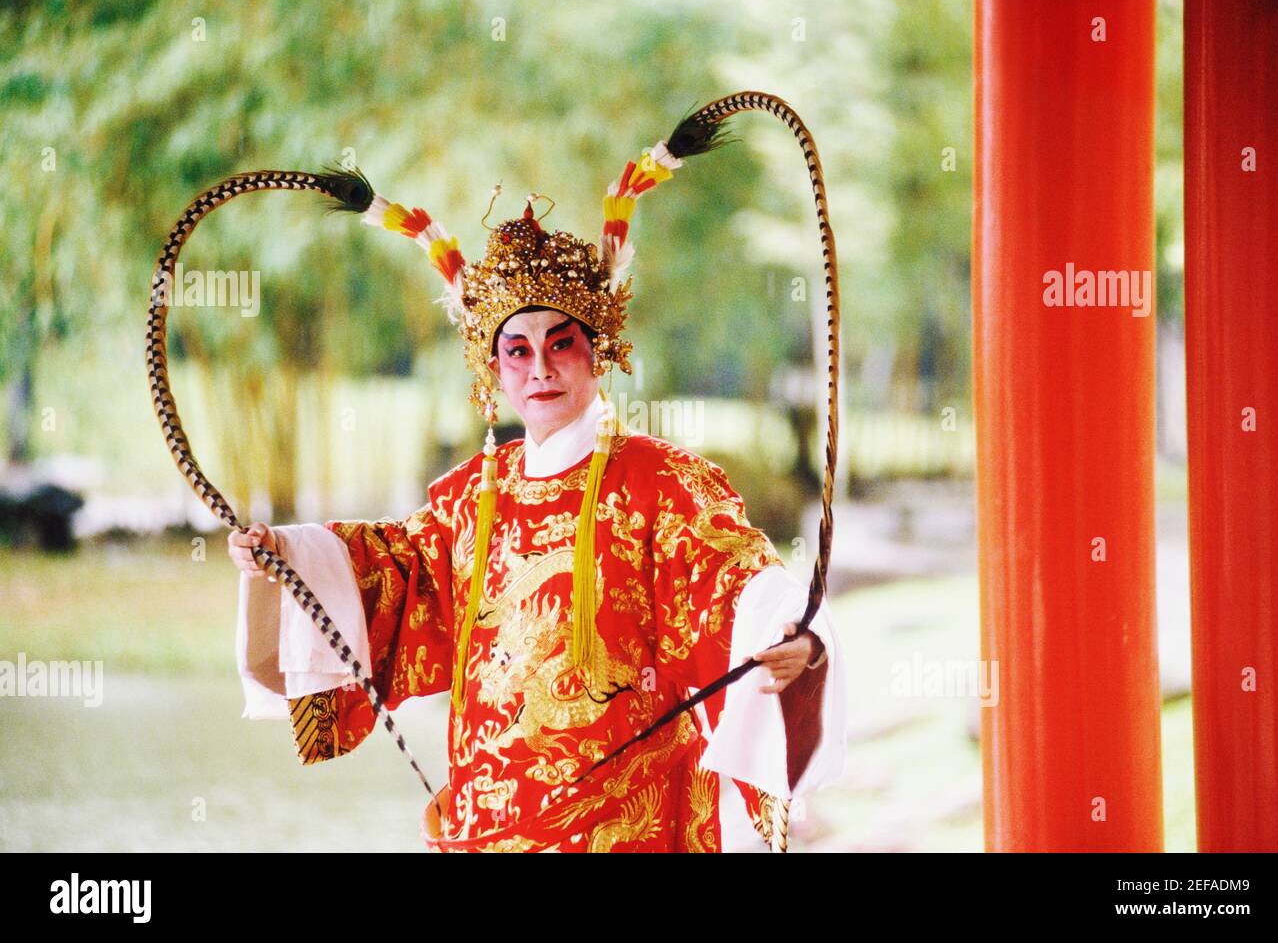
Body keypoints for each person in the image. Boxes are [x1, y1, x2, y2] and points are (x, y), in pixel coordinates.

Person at [229, 125, 847, 852]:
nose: (541, 369)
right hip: (489, 826)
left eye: (562, 343)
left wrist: (791, 635)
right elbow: (386, 576)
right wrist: (284, 556)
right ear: (494, 370)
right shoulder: (469, 500)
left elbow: (737, 583)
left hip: (631, 826)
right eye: (517, 351)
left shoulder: (660, 484)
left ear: (598, 350)